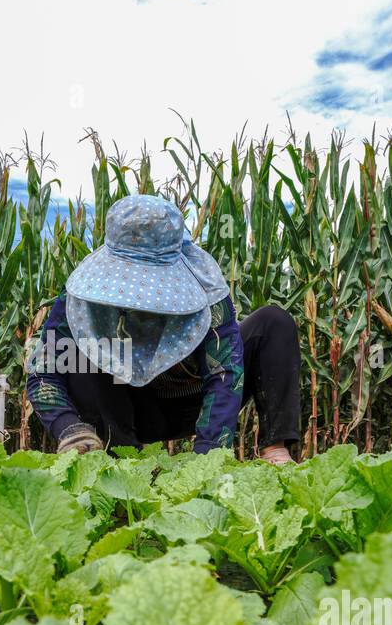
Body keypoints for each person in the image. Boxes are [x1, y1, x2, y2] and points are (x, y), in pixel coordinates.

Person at [26, 194, 301, 465]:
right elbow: (44, 368)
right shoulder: (80, 298)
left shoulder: (208, 292)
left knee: (273, 322)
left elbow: (224, 374)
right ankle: (120, 463)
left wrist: (207, 461)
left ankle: (275, 453)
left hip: (191, 404)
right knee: (86, 349)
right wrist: (69, 427)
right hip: (122, 411)